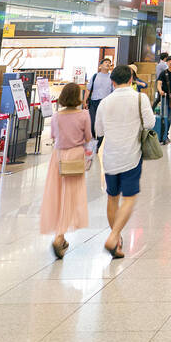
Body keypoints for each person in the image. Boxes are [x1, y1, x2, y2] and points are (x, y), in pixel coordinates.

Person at [94, 64, 155, 257]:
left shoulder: (105, 102)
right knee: (129, 198)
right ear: (131, 79)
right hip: (131, 156)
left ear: (112, 81)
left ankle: (117, 241)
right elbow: (150, 123)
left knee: (112, 197)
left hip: (110, 157)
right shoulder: (140, 98)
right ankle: (113, 237)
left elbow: (99, 131)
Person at [40, 82, 92, 260]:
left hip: (58, 157)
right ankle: (59, 236)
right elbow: (88, 137)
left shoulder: (56, 117)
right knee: (71, 196)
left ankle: (59, 234)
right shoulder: (84, 115)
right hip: (75, 156)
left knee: (57, 195)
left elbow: (53, 136)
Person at [84, 57, 113, 148]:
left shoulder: (112, 77)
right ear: (100, 66)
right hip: (93, 102)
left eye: (109, 63)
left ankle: (99, 145)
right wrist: (84, 101)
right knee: (92, 123)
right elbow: (88, 89)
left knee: (102, 124)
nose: (108, 64)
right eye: (106, 62)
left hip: (105, 103)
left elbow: (113, 92)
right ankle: (93, 142)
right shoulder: (95, 76)